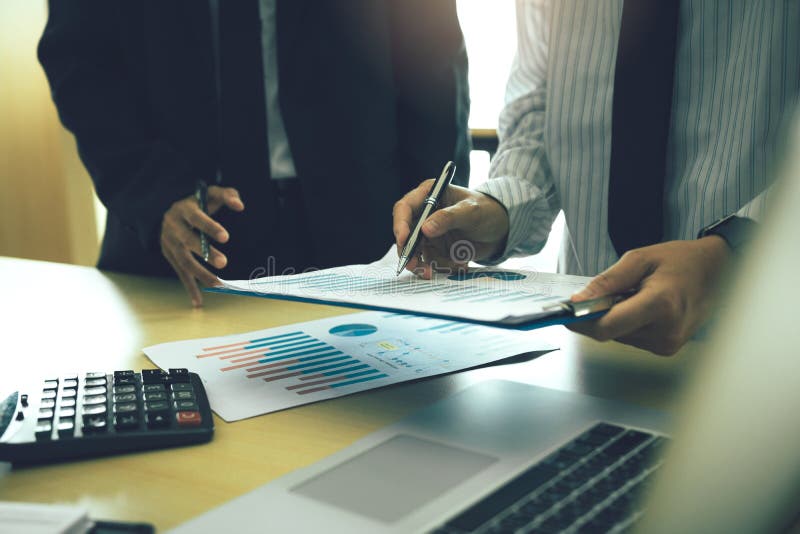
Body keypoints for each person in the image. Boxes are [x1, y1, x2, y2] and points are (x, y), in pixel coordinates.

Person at [393, 0, 799, 355]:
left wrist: (733, 255)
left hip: (766, 347)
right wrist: (497, 208)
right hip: (588, 346)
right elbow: (539, 107)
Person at [39, 0, 470, 306]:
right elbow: (80, 62)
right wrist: (151, 194)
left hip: (368, 232)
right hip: (181, 237)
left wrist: (433, 216)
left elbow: (431, 58)